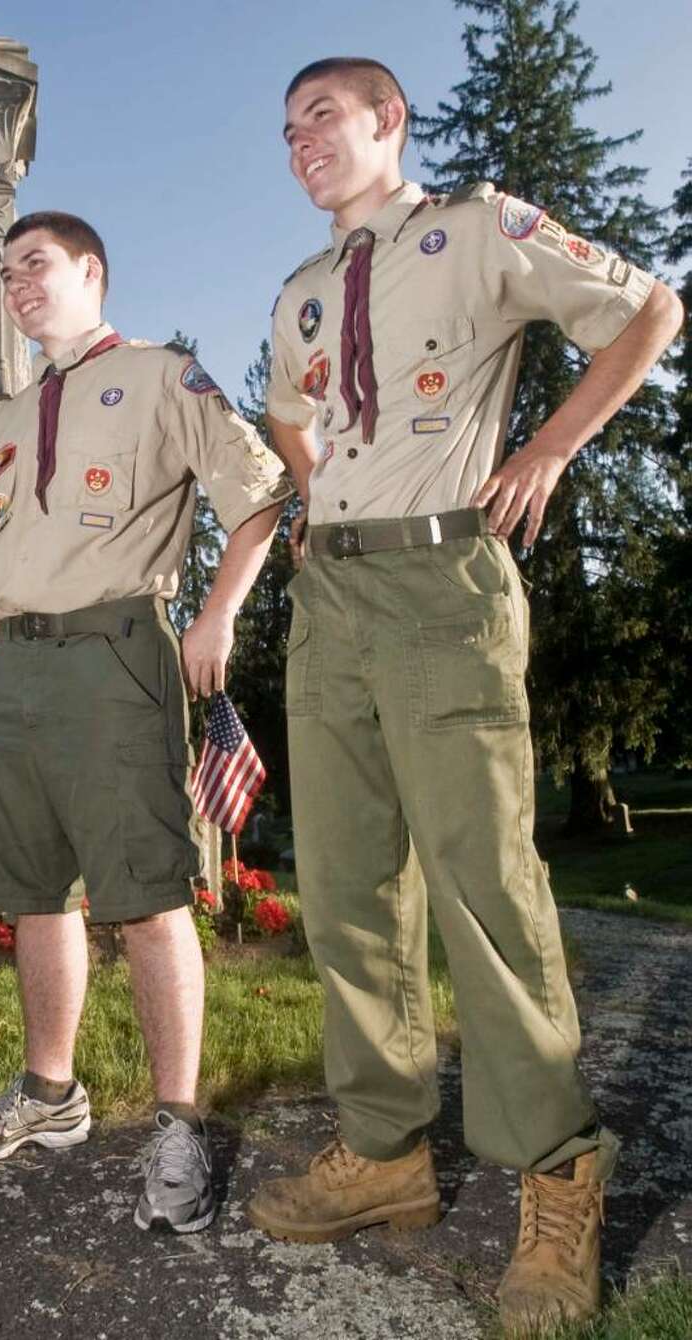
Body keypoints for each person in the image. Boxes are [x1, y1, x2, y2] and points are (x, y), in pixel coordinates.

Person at [246, 57, 683, 1331]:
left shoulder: (477, 227)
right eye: (285, 132)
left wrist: (548, 444)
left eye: (321, 115)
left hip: (446, 586)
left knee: (482, 887)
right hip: (331, 607)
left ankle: (559, 1175)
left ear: (389, 121)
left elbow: (651, 308)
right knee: (343, 889)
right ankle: (383, 1154)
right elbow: (289, 416)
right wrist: (320, 489)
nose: (300, 142)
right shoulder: (302, 295)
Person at [0, 211, 292, 1234]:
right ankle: (52, 1094)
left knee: (144, 893)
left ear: (90, 270)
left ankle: (178, 1123)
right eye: (6, 273)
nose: (18, 284)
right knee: (33, 890)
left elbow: (261, 492)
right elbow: (6, 555)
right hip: (17, 674)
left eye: (35, 264)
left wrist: (217, 613)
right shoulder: (10, 414)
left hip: (112, 659)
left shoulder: (158, 376)